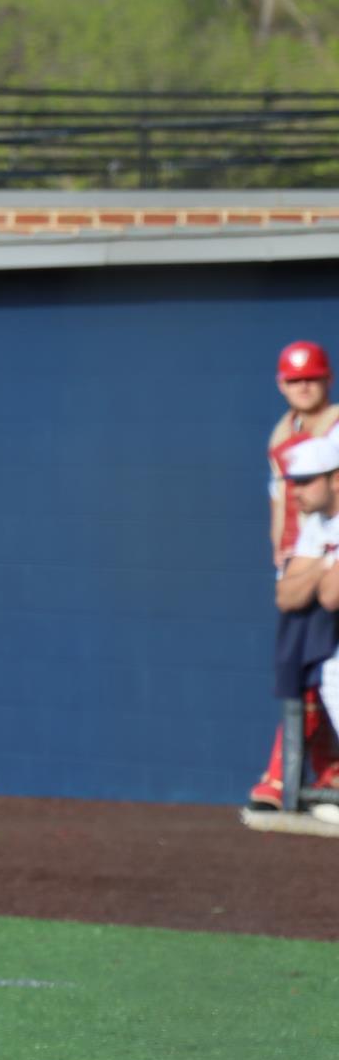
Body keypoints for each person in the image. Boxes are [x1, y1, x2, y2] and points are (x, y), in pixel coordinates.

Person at [250, 433, 339, 810]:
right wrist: (325, 562)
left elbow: (330, 595)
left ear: (336, 479)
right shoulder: (318, 524)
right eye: (293, 482)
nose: (296, 491)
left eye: (305, 481)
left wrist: (317, 570)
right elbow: (287, 595)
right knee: (328, 672)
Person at [268, 341, 337, 569]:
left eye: (312, 378)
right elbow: (278, 497)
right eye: (294, 380)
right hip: (296, 557)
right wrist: (279, 545)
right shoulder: (281, 435)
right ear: (281, 385)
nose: (303, 387)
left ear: (329, 379)